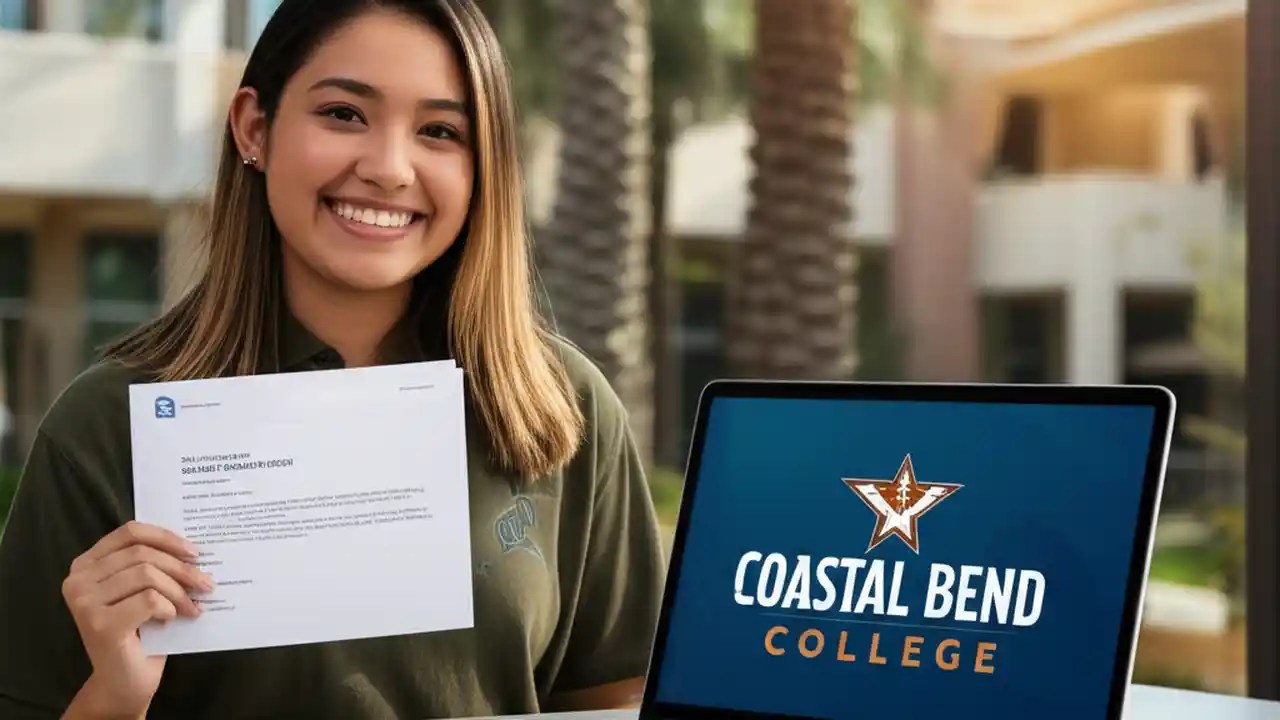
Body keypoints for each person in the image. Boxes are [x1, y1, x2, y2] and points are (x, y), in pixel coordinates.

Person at [0, 1, 667, 717]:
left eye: (440, 131)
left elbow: (616, 699)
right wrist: (115, 694)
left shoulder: (560, 405)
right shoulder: (109, 423)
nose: (387, 168)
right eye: (344, 113)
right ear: (255, 127)